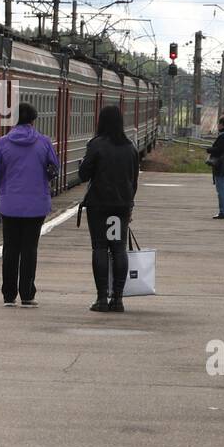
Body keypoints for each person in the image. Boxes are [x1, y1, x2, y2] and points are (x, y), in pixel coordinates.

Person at [0, 102, 59, 307]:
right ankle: (27, 294)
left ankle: (8, 295)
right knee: (30, 248)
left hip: (10, 203)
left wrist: (7, 189)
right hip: (36, 204)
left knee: (10, 248)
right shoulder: (44, 142)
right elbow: (55, 168)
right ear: (33, 120)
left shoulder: (3, 143)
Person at [78, 104, 140, 313]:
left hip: (99, 205)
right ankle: (119, 299)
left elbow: (84, 174)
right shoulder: (130, 147)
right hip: (121, 205)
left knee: (100, 248)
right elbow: (134, 181)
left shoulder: (96, 145)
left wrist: (84, 163)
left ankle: (101, 298)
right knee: (118, 248)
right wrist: (129, 204)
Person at [206, 114, 224, 220]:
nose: (217, 125)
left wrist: (209, 149)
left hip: (221, 166)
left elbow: (219, 149)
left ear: (222, 124)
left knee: (221, 189)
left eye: (218, 123)